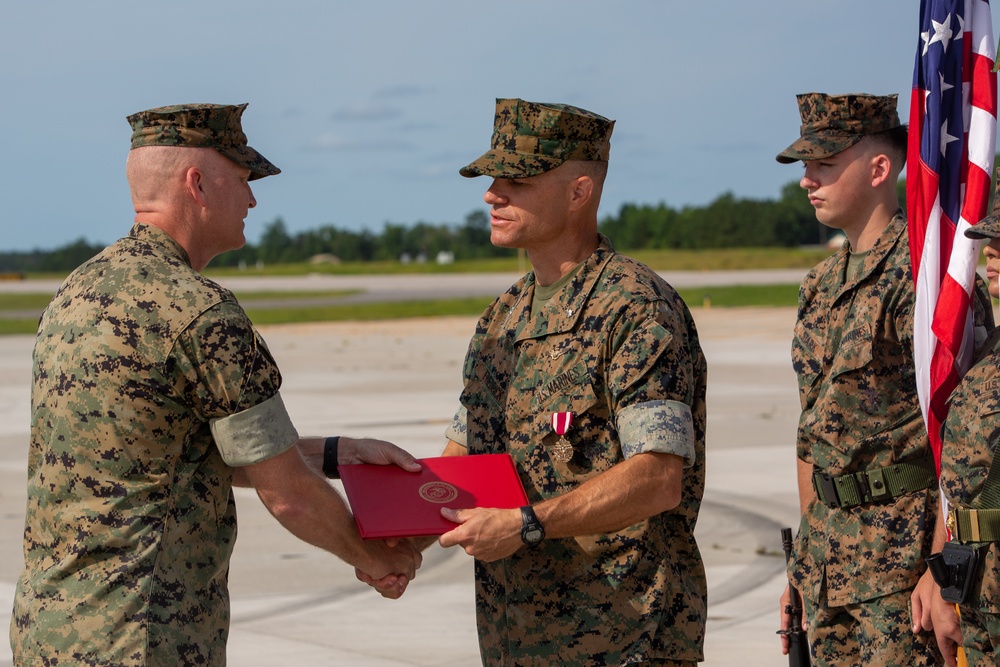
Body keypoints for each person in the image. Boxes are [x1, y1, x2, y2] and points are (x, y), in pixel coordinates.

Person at [10, 103, 422, 666]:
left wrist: (338, 453)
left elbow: (170, 453)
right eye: (244, 180)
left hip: (51, 631)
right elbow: (288, 495)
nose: (253, 199)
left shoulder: (75, 295)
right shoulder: (201, 313)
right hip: (146, 637)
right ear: (198, 184)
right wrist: (371, 557)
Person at [371, 98, 708, 665]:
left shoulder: (635, 308)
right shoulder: (503, 317)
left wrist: (526, 525)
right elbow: (465, 456)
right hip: (515, 633)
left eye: (517, 181)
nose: (492, 194)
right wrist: (404, 543)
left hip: (623, 632)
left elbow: (658, 477)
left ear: (579, 192)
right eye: (492, 178)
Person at [775, 92, 992, 666]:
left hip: (902, 568)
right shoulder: (818, 286)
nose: (807, 179)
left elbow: (970, 434)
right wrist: (803, 564)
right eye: (805, 165)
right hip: (826, 564)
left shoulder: (925, 278)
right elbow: (811, 434)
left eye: (824, 163)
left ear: (880, 168)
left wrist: (942, 569)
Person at [927, 179, 1000, 666]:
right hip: (978, 593)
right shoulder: (990, 355)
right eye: (992, 241)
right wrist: (947, 582)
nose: (991, 253)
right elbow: (964, 486)